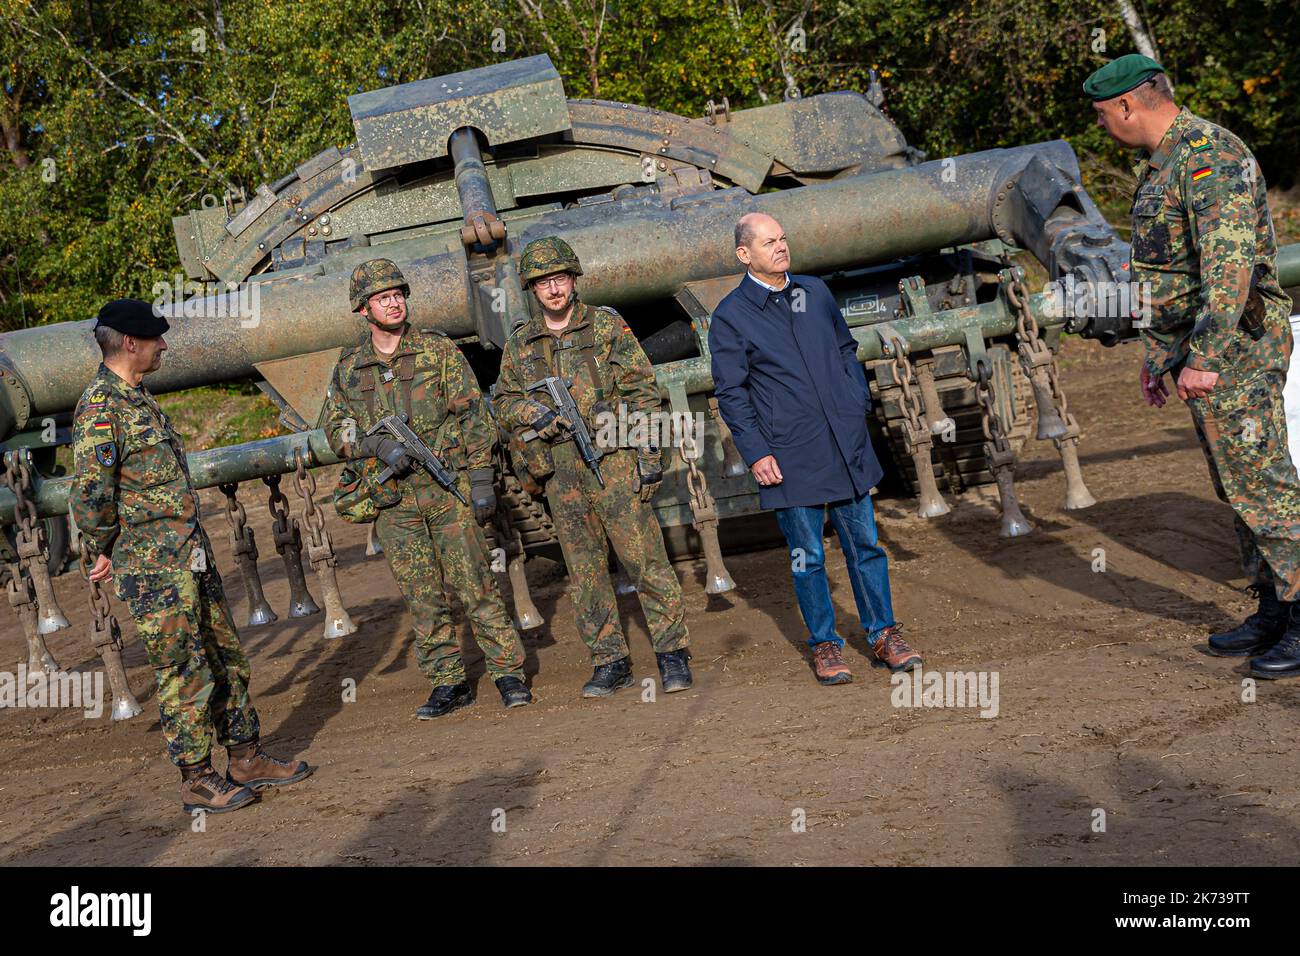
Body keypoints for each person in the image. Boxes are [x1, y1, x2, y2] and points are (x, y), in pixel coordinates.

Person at [1086, 54, 1300, 679]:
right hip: (1199, 355)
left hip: (1237, 350)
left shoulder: (1210, 156)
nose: (1101, 126)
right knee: (1237, 488)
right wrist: (1161, 357)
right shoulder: (1161, 167)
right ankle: (1273, 609)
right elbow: (1166, 276)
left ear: (1128, 105)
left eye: (1102, 115)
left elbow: (1228, 271)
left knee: (1266, 488)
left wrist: (1203, 359)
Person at [70, 298, 311, 814]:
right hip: (154, 567)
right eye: (156, 337)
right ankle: (196, 778)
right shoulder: (100, 407)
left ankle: (245, 757)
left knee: (226, 655)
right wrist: (104, 547)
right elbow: (91, 495)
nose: (164, 345)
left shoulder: (138, 398)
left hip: (189, 555)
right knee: (183, 669)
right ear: (129, 343)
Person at [709, 212, 923, 685]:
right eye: (769, 242)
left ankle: (884, 633)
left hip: (844, 442)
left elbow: (845, 348)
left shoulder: (815, 292)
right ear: (745, 254)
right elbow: (731, 393)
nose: (781, 247)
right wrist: (757, 451)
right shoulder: (731, 316)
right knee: (807, 554)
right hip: (787, 453)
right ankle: (825, 644)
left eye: (783, 239)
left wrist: (855, 402)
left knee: (865, 544)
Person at [321, 258, 531, 716]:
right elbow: (335, 429)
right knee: (423, 597)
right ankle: (447, 682)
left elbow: (474, 415)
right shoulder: (350, 368)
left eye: (398, 294)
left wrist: (479, 480)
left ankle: (508, 672)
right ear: (363, 310)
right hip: (396, 501)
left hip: (447, 489)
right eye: (382, 297)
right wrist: (376, 445)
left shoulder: (437, 351)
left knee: (476, 586)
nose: (393, 302)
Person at [492, 236, 693, 698]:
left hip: (614, 460)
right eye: (543, 283)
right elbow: (502, 401)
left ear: (573, 279)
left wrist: (647, 456)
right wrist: (533, 414)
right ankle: (610, 661)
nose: (554, 289)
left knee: (644, 559)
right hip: (560, 470)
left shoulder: (605, 325)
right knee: (584, 571)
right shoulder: (521, 344)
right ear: (532, 290)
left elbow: (643, 391)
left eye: (560, 278)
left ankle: (672, 653)